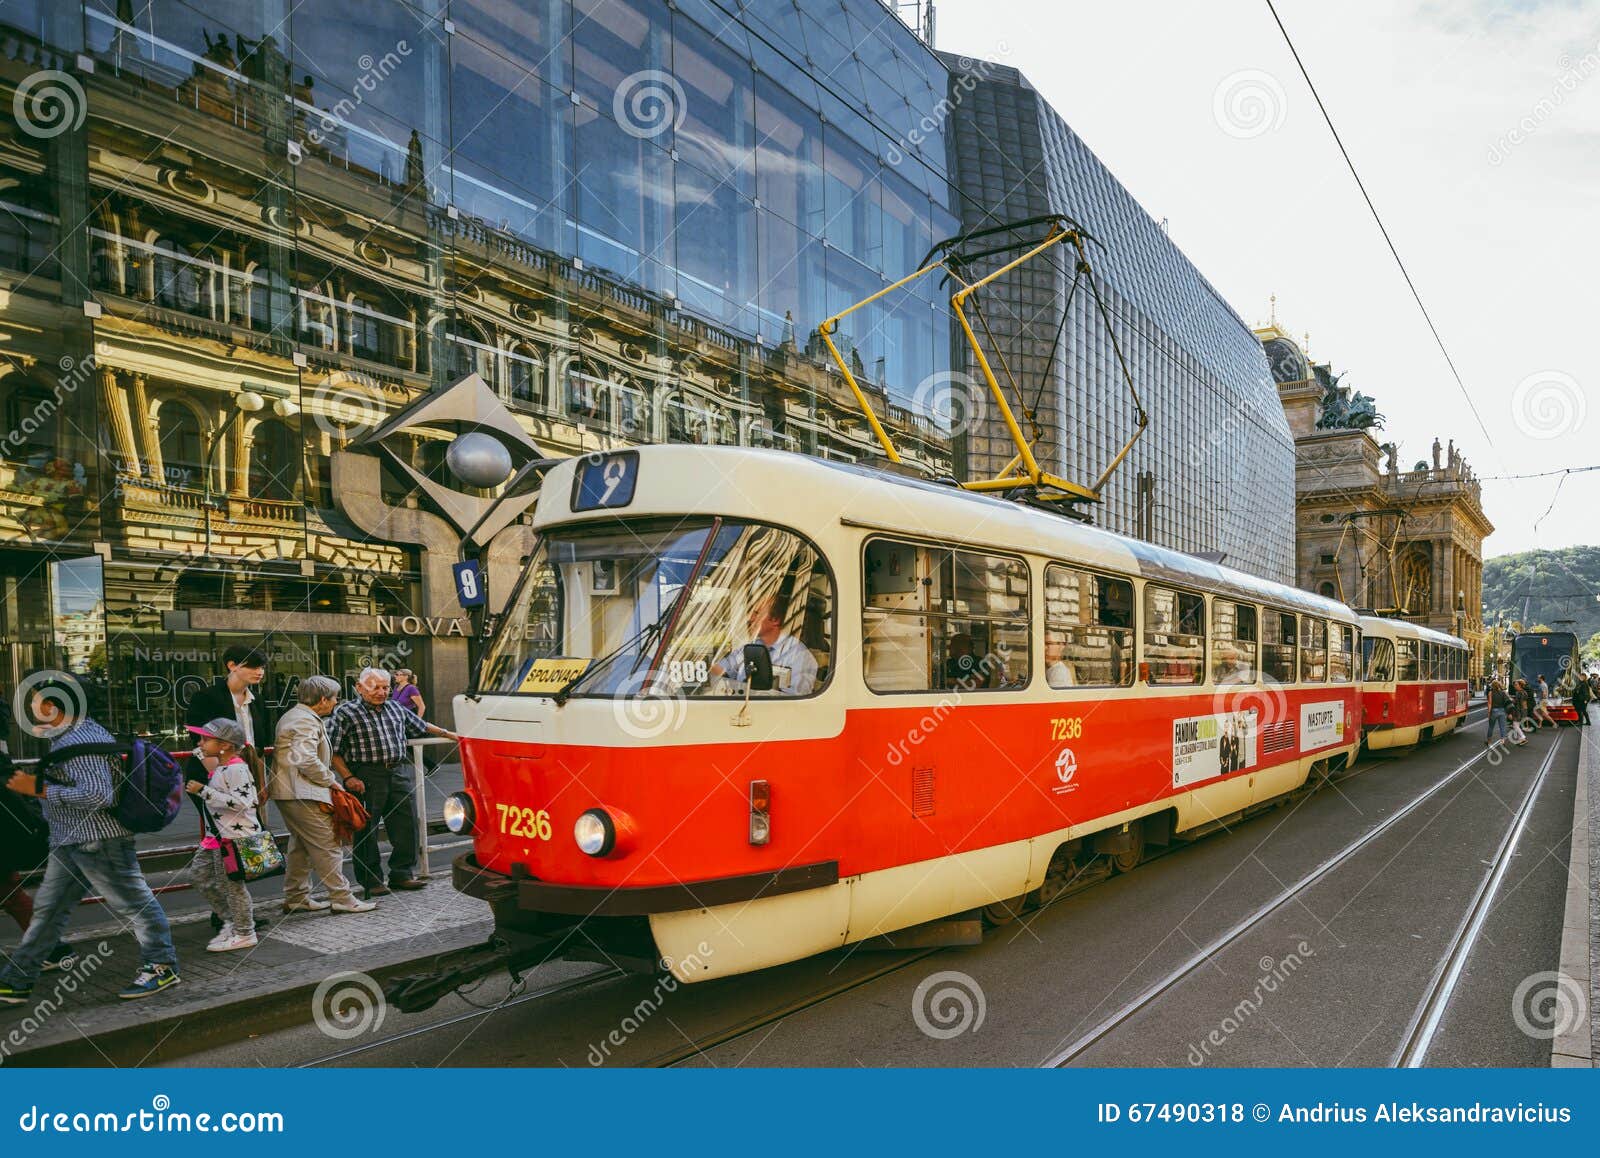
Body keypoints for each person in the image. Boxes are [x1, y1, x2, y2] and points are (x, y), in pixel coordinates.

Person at [0, 676, 180, 1005]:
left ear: (54, 705)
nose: (32, 708)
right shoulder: (72, 735)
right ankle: (16, 981)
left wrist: (38, 789)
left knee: (135, 906)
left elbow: (99, 795)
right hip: (73, 841)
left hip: (99, 841)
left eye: (37, 701)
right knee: (49, 911)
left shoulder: (78, 739)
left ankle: (161, 966)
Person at [327, 668, 457, 899]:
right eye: (374, 687)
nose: (381, 692)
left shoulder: (395, 707)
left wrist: (450, 734)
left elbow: (421, 725)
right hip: (365, 775)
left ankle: (402, 873)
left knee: (407, 824)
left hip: (398, 771)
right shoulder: (345, 712)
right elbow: (333, 750)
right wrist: (348, 777)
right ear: (359, 687)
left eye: (385, 687)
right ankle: (372, 880)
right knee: (366, 830)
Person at [270, 676, 375, 915]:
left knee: (301, 846)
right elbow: (306, 759)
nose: (336, 702)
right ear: (322, 700)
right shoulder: (305, 721)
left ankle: (297, 896)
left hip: (291, 791)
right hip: (304, 792)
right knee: (328, 845)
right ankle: (342, 898)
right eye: (334, 697)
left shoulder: (295, 716)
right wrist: (332, 782)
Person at [184, 718, 262, 952]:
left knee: (232, 886)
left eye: (205, 739)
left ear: (225, 745)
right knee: (200, 876)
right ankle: (232, 922)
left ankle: (245, 931)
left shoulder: (237, 768)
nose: (200, 743)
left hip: (233, 839)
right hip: (217, 836)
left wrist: (204, 791)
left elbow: (243, 802)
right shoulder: (222, 766)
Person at [709, 595, 818, 695]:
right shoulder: (751, 646)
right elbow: (720, 669)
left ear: (775, 620)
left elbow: (794, 702)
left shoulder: (799, 656)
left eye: (756, 613)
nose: (750, 618)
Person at [1485, 679, 1512, 748]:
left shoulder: (1490, 693)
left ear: (1492, 686)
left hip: (1494, 711)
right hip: (1502, 711)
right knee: (1502, 727)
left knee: (1491, 727)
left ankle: (1489, 741)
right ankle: (1503, 741)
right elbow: (1509, 700)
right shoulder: (1503, 692)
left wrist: (1488, 713)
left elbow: (1490, 703)